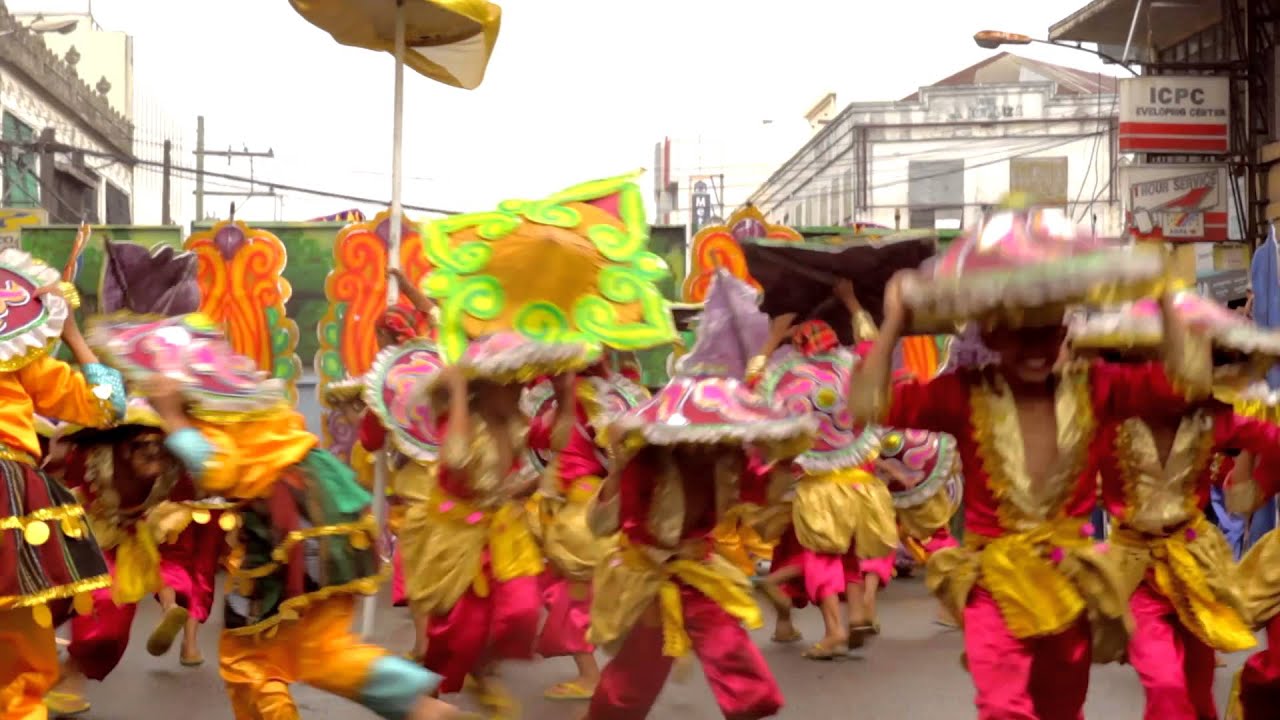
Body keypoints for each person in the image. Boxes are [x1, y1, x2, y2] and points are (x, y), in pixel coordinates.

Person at [850, 206, 1202, 719]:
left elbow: (1187, 384)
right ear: (991, 336)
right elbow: (867, 406)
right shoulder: (964, 395)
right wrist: (895, 322)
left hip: (1071, 582)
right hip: (994, 585)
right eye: (1020, 334)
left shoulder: (1097, 388)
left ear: (1063, 333)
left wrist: (1164, 296)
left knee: (1061, 711)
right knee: (1002, 708)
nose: (1036, 349)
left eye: (1047, 333)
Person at [89, 310, 472, 720]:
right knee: (319, 649)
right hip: (336, 516)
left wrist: (173, 416)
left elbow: (220, 470)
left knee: (247, 657)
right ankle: (419, 705)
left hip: (288, 531)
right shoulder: (248, 392)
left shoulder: (207, 410)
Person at [581, 271, 816, 720]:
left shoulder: (726, 459)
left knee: (740, 667)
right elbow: (604, 522)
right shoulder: (649, 460)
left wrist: (784, 461)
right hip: (646, 577)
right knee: (634, 681)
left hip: (699, 571)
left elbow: (762, 498)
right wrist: (616, 469)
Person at [1070, 292, 1280, 719]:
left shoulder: (1215, 419)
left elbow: (1270, 442)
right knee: (1165, 687)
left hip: (1198, 568)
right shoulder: (1103, 421)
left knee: (1199, 693)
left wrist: (1252, 456)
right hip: (1135, 570)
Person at [411, 333, 595, 717]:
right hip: (456, 538)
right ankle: (430, 696)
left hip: (505, 533)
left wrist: (564, 396)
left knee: (523, 615)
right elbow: (457, 462)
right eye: (509, 383)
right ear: (486, 388)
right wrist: (459, 392)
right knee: (455, 633)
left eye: (520, 382)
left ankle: (481, 669)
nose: (519, 389)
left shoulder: (517, 421)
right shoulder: (459, 419)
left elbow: (559, 443)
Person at [0, 252, 126, 720]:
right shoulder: (16, 353)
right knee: (19, 666)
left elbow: (105, 409)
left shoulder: (17, 354)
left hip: (9, 496)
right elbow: (107, 406)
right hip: (8, 493)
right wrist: (69, 331)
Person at [43, 399, 219, 713]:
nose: (156, 455)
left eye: (162, 447)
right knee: (44, 605)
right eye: (145, 446)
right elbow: (50, 483)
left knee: (111, 622)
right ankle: (33, 669)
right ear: (125, 447)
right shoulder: (91, 457)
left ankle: (70, 676)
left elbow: (208, 484)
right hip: (74, 534)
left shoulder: (172, 474)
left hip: (127, 542)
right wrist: (53, 462)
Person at [752, 300, 898, 659]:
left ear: (799, 345)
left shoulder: (789, 382)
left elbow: (752, 390)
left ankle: (834, 630)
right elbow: (872, 348)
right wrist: (852, 304)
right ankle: (860, 613)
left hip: (817, 488)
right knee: (849, 557)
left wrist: (772, 341)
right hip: (859, 486)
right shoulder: (854, 371)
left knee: (820, 559)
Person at [525, 360, 649, 701]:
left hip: (579, 516)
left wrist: (561, 397)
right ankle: (616, 667)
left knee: (568, 596)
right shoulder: (601, 397)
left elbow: (542, 437)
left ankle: (590, 676)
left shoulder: (577, 400)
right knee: (585, 593)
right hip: (591, 504)